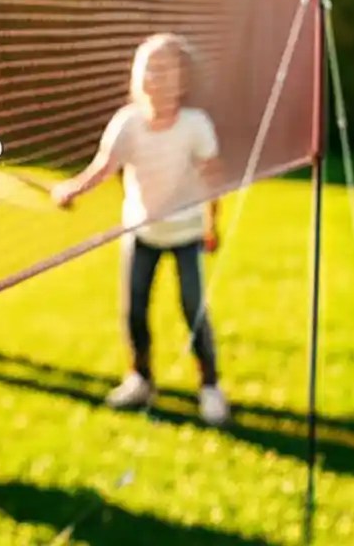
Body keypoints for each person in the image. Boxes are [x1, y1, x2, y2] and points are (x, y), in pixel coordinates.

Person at [51, 33, 230, 426]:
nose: (153, 76)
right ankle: (140, 378)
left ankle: (210, 386)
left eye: (163, 68)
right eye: (147, 67)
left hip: (186, 234)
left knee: (193, 310)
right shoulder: (127, 123)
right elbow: (103, 167)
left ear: (182, 80)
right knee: (134, 311)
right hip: (140, 232)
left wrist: (212, 224)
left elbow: (213, 179)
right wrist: (72, 190)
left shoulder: (195, 126)